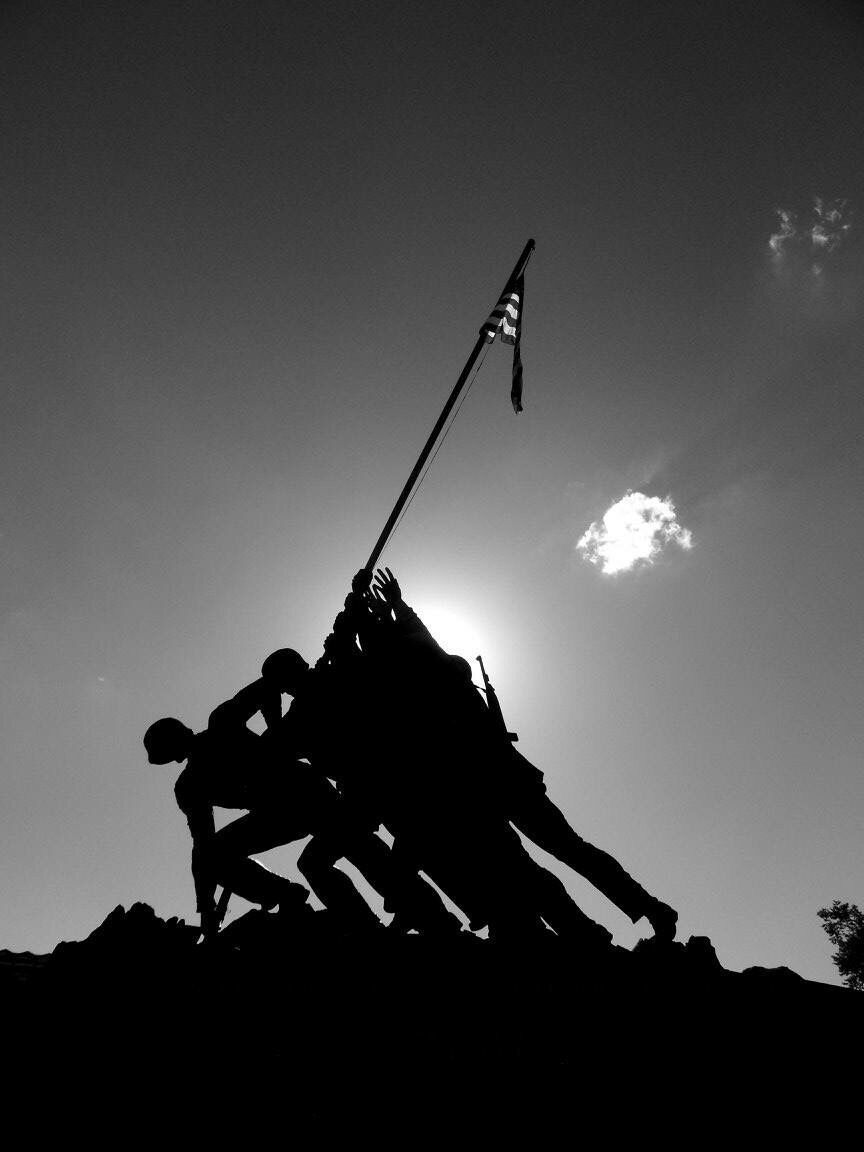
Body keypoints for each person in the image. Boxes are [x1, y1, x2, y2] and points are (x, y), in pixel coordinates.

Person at [369, 567, 679, 942]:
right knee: (546, 861)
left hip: (501, 786)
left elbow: (413, 649)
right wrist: (388, 611)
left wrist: (390, 612)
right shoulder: (443, 687)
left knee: (565, 853)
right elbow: (411, 650)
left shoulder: (447, 690)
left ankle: (643, 910)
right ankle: (617, 918)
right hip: (490, 790)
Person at [143, 676, 389, 937]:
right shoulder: (190, 786)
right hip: (278, 816)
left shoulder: (221, 725)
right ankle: (290, 896)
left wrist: (276, 736)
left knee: (353, 849)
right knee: (218, 855)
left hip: (305, 792)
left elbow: (269, 686)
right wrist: (206, 904)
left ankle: (390, 916)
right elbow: (204, 846)